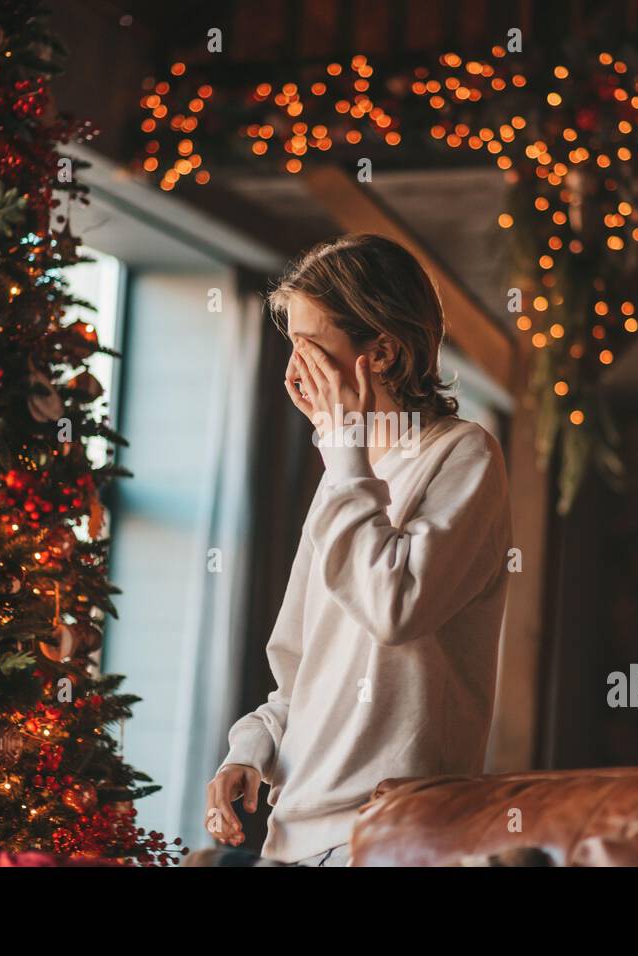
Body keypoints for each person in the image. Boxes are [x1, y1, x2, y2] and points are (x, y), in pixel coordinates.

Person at [204, 234, 512, 866]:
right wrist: (251, 750)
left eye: (310, 350)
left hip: (392, 837)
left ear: (384, 353)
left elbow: (395, 609)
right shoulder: (342, 476)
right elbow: (300, 669)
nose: (292, 373)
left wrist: (344, 447)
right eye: (289, 348)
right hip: (291, 836)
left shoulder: (462, 454)